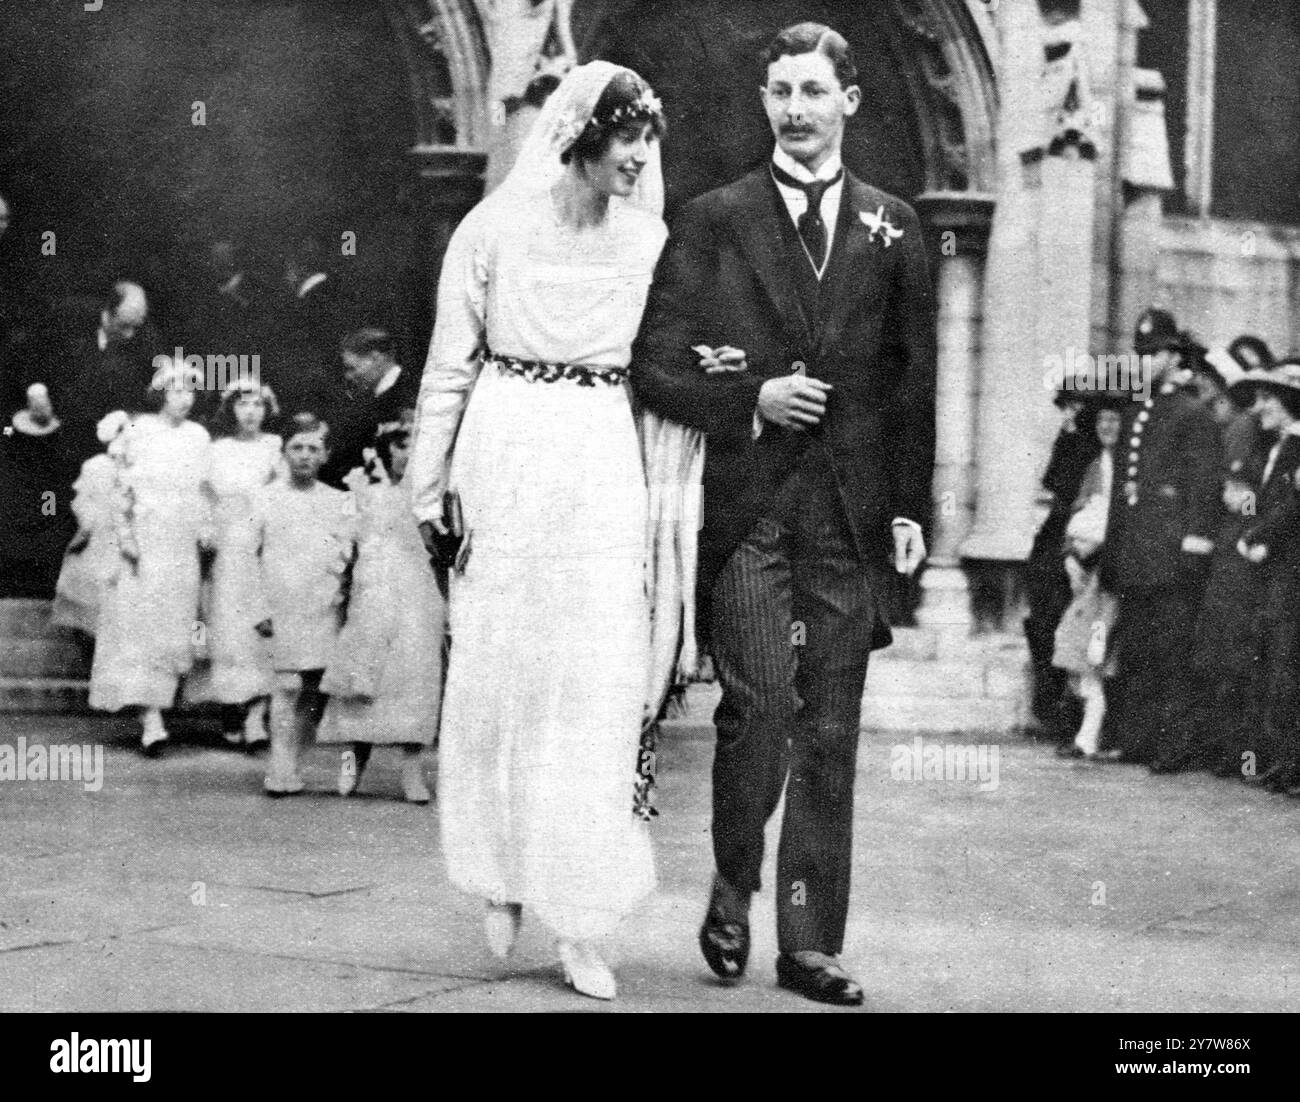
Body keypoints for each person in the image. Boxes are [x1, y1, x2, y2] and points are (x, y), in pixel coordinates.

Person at [632, 22, 936, 1006]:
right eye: (779, 91)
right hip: (750, 510)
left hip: (846, 517)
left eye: (812, 90)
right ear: (763, 101)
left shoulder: (893, 226)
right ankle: (732, 875)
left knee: (830, 731)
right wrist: (750, 401)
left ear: (850, 99)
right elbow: (655, 366)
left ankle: (808, 946)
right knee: (759, 709)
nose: (794, 108)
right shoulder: (713, 218)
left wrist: (907, 506)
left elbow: (910, 382)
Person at [408, 61, 668, 1001]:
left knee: (594, 681)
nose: (639, 158)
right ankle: (501, 873)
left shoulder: (649, 242)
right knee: (500, 665)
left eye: (648, 141)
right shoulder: (491, 230)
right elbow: (447, 368)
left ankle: (582, 916)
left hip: (601, 454)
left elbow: (670, 360)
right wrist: (427, 488)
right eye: (625, 140)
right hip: (507, 442)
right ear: (580, 138)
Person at [1097, 309, 1220, 769]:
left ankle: (1173, 746)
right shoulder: (1137, 412)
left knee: (1171, 651)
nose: (1146, 363)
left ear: (1173, 356)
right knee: (1141, 648)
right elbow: (1122, 493)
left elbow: (1203, 485)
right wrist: (1114, 548)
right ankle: (1139, 738)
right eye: (1141, 354)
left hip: (1171, 554)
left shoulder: (1192, 414)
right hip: (1137, 551)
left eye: (1154, 354)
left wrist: (1195, 543)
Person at [87, 359, 212, 755]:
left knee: (176, 623)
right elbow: (121, 488)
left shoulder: (198, 436)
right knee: (141, 623)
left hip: (181, 543)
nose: (184, 399)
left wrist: (205, 531)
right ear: (161, 394)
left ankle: (162, 705)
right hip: (146, 541)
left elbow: (204, 490)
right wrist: (126, 538)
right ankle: (150, 718)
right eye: (176, 391)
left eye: (190, 391)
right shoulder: (140, 431)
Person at [319, 416, 445, 803]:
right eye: (400, 444)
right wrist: (335, 583)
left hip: (416, 589)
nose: (406, 453)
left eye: (414, 445)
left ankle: (411, 771)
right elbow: (342, 539)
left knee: (411, 673)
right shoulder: (362, 484)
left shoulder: (432, 489)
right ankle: (349, 767)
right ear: (386, 447)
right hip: (372, 588)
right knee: (362, 674)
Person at [256, 414, 354, 795]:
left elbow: (346, 555)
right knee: (286, 685)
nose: (304, 456)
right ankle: (279, 763)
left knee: (314, 686)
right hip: (281, 602)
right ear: (284, 452)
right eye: (296, 447)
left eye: (313, 448)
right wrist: (257, 608)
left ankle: (297, 760)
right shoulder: (265, 499)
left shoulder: (339, 501)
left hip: (322, 604)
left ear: (326, 455)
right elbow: (248, 555)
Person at [183, 379, 283, 748]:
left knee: (261, 625)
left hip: (264, 545)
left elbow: (282, 497)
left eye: (258, 404)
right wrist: (207, 527)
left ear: (267, 409)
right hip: (227, 546)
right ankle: (231, 706)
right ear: (231, 410)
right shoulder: (218, 449)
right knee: (227, 625)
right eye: (243, 405)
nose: (251, 411)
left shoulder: (275, 448)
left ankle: (258, 713)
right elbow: (204, 495)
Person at [1233, 361, 1300, 796]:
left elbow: (1292, 508)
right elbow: (1258, 501)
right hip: (1276, 570)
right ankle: (1284, 761)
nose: (1260, 408)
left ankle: (1292, 764)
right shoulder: (1278, 446)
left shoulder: (1296, 447)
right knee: (1277, 664)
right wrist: (1248, 528)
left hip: (1290, 572)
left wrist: (1257, 537)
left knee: (1287, 666)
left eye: (1269, 399)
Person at [1025, 390, 1099, 737]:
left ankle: (1067, 712)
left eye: (1074, 409)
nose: (1068, 416)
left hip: (1074, 542)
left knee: (1065, 626)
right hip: (1054, 541)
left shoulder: (1087, 448)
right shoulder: (1068, 440)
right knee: (1044, 623)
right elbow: (1053, 486)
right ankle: (1051, 706)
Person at [1053, 395, 1124, 759]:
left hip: (1110, 568)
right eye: (1102, 421)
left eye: (1114, 419)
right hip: (1087, 568)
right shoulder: (1097, 466)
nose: (1107, 427)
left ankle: (1094, 732)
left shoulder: (1127, 468)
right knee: (1082, 644)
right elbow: (1079, 510)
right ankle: (1087, 731)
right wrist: (1072, 554)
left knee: (1099, 646)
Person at [52, 411, 130, 635]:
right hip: (101, 532)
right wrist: (90, 524)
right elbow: (83, 501)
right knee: (92, 582)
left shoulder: (137, 466)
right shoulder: (96, 466)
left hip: (126, 533)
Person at [318, 328, 421, 488]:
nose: (348, 376)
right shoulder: (372, 397)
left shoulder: (411, 394)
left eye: (352, 368)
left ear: (375, 358)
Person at [0, 383, 76, 597]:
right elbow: (6, 434)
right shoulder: (11, 429)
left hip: (47, 488)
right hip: (20, 485)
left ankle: (41, 578)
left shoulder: (57, 431)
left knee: (47, 519)